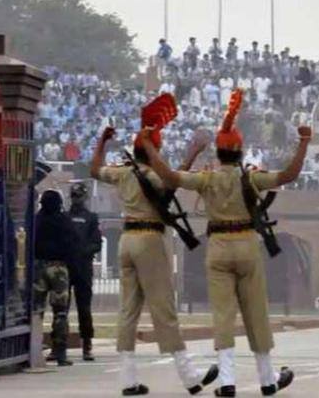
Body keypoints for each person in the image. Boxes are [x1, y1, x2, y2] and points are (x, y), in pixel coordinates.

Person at [140, 89, 310, 397]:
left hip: (217, 245)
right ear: (241, 153)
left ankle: (227, 382)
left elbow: (170, 176)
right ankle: (268, 380)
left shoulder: (207, 179)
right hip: (247, 243)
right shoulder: (251, 178)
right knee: (256, 312)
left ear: (218, 155)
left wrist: (151, 148)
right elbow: (288, 174)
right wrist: (304, 142)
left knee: (223, 316)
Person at [91, 94, 218, 396]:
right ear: (154, 149)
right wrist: (192, 152)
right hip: (150, 238)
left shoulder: (123, 172)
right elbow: (173, 180)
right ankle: (189, 376)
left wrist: (102, 141)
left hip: (126, 239)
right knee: (164, 307)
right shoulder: (151, 174)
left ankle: (127, 379)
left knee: (128, 311)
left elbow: (95, 170)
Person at [34, 190, 80, 367]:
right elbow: (73, 244)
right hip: (59, 268)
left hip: (39, 267)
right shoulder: (64, 220)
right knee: (60, 312)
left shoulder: (37, 220)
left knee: (36, 311)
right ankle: (59, 351)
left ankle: (34, 349)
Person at [67, 182, 102, 361]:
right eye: (74, 196)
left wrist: (83, 251)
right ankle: (59, 346)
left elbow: (97, 243)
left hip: (83, 267)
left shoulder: (91, 218)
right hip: (66, 266)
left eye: (79, 196)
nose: (76, 200)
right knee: (61, 308)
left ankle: (87, 344)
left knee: (84, 308)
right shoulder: (64, 217)